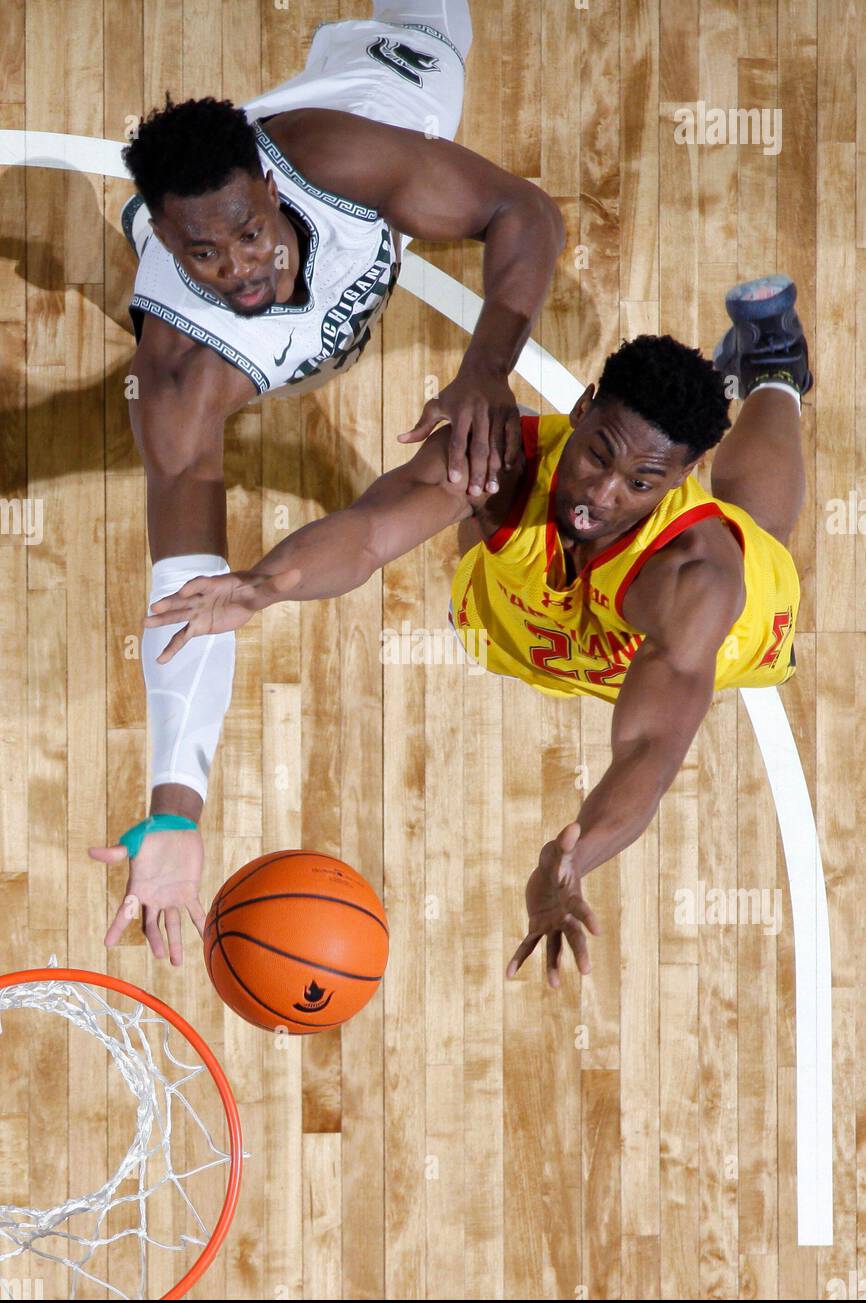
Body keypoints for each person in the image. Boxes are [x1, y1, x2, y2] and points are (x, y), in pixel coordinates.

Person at [137, 276, 811, 984]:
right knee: (475, 495)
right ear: (581, 409)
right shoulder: (501, 455)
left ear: (681, 477)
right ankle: (765, 375)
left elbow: (650, 744)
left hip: (705, 639)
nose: (600, 496)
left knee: (759, 527)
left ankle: (774, 371)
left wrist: (575, 857)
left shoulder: (694, 577)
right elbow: (368, 536)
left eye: (640, 483)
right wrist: (263, 586)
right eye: (596, 455)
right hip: (521, 623)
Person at [88, 0, 566, 961]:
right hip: (257, 328)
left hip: (391, 67)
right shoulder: (183, 370)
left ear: (270, 185)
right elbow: (190, 602)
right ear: (169, 248)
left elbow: (528, 211)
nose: (239, 269)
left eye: (249, 233)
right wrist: (174, 808)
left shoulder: (342, 162)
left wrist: (484, 369)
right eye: (203, 255)